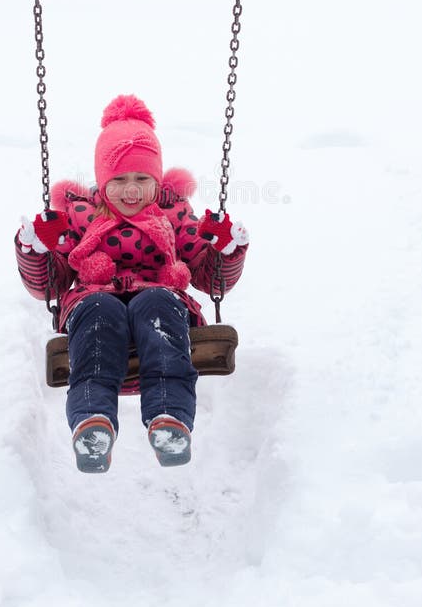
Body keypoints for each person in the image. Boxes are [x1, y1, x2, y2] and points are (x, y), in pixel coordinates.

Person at [15, 94, 249, 473]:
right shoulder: (79, 215)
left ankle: (169, 419)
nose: (131, 190)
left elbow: (210, 276)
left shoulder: (174, 214)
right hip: (95, 306)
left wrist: (227, 251)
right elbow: (52, 284)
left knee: (155, 301)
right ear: (103, 181)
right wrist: (36, 251)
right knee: (97, 307)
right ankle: (93, 424)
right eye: (119, 179)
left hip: (162, 309)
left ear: (157, 181)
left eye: (142, 179)